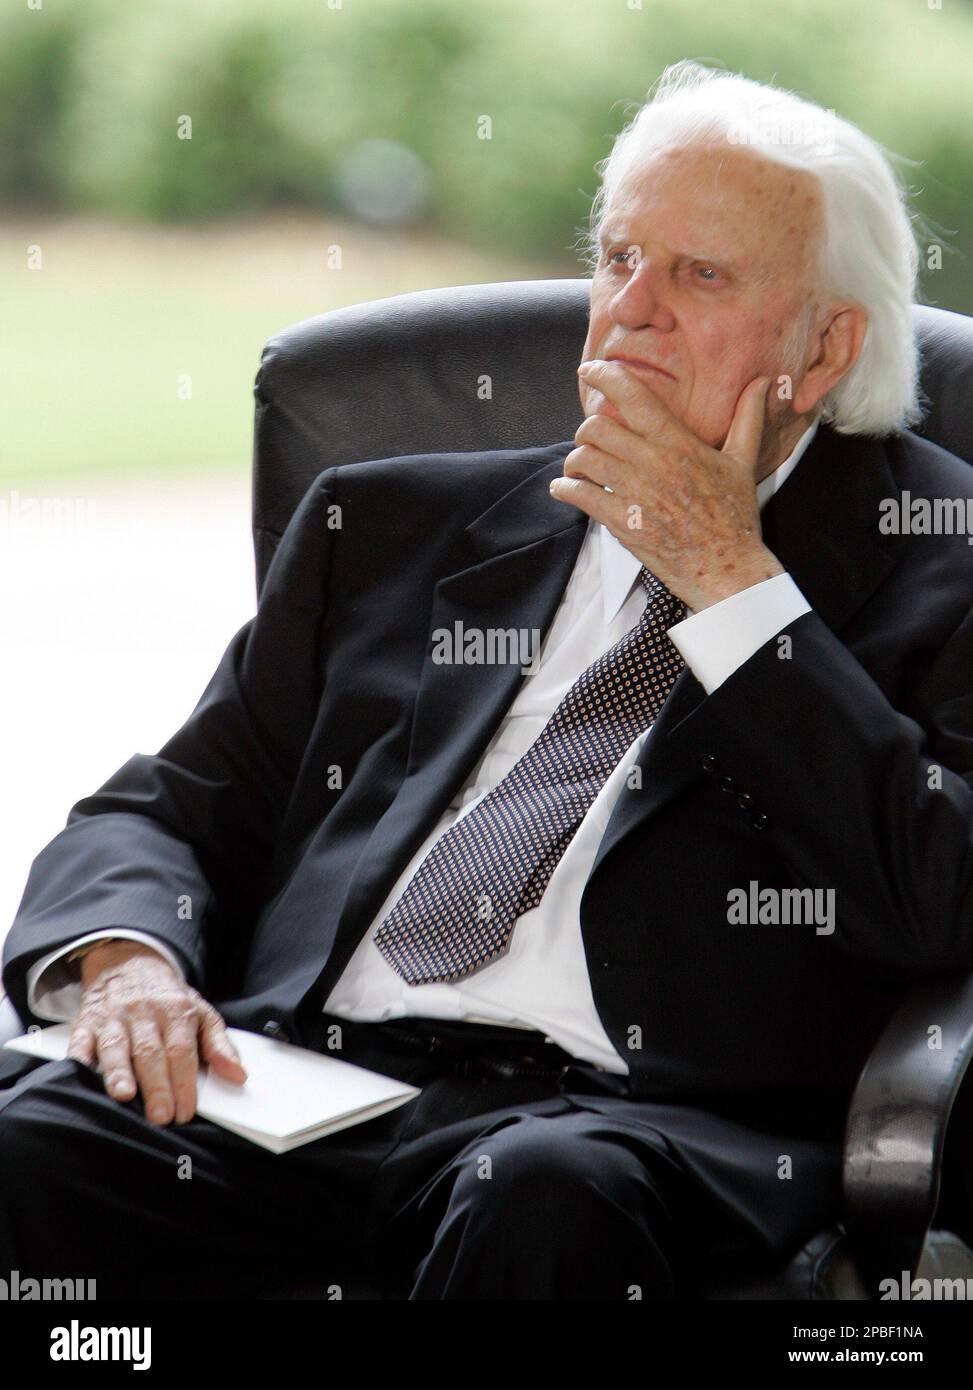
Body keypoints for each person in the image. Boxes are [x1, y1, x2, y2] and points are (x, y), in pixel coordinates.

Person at [3, 61, 972, 1301]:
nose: (632, 308)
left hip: (627, 1129)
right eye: (619, 257)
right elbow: (166, 808)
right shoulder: (386, 528)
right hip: (302, 1088)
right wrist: (127, 962)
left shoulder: (942, 568)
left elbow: (940, 893)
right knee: (27, 1139)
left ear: (824, 345)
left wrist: (732, 584)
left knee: (540, 1200)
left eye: (701, 275)